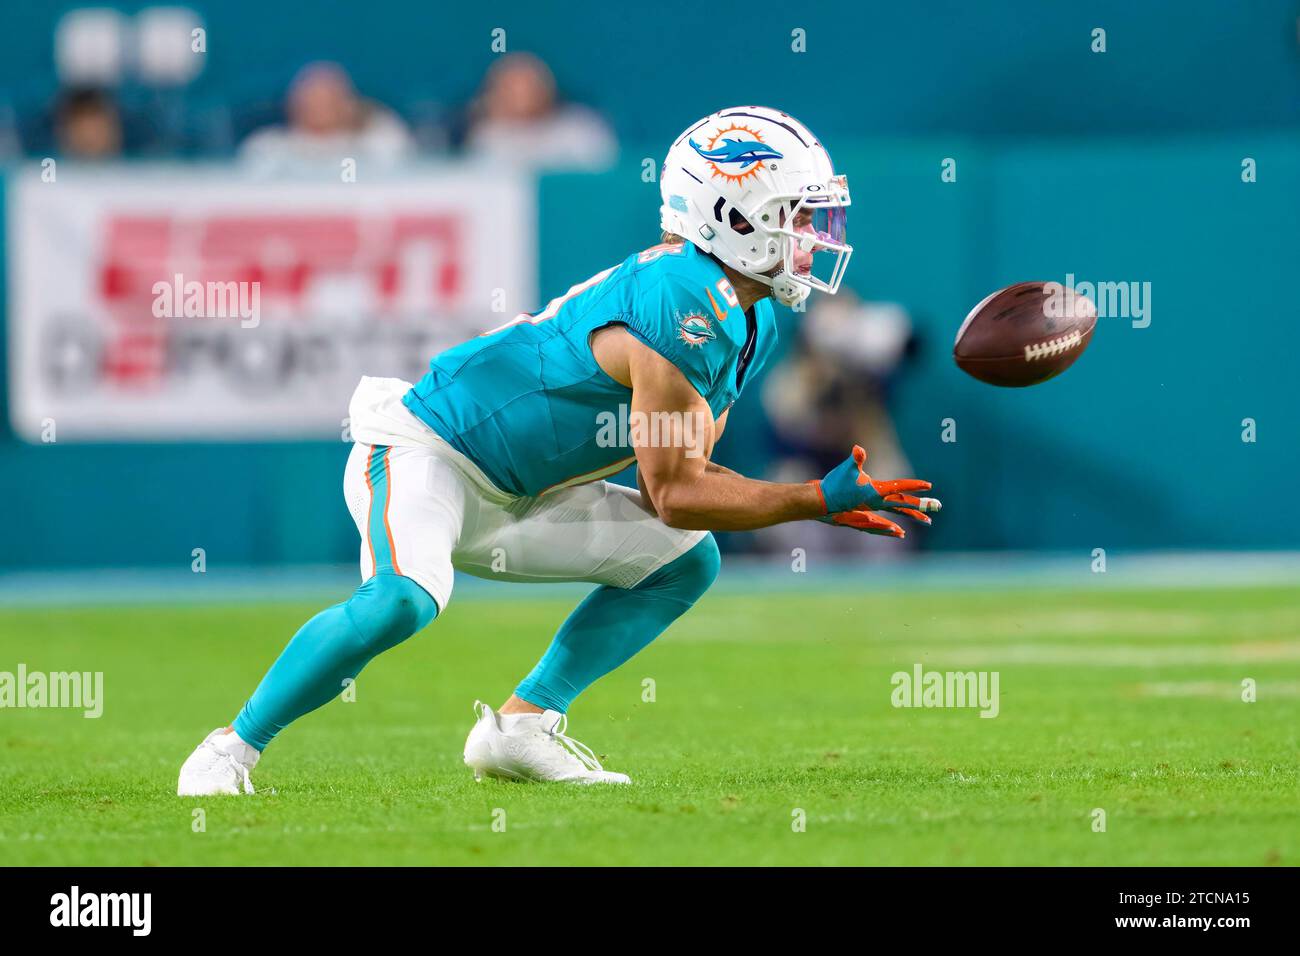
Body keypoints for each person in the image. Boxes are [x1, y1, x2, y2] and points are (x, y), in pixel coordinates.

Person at [178, 106, 940, 794]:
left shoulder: (746, 316)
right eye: (796, 216)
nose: (814, 238)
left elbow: (670, 488)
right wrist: (813, 500)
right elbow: (674, 489)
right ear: (731, 218)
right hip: (429, 452)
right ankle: (228, 750)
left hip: (525, 493)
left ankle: (520, 729)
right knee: (402, 601)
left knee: (683, 559)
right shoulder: (684, 293)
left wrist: (782, 496)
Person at [239, 62, 413, 174]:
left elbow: (396, 150)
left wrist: (365, 115)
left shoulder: (371, 144)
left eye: (329, 99)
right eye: (310, 99)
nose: (318, 107)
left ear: (347, 103)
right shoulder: (269, 147)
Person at [462, 52, 615, 169]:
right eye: (510, 89)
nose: (520, 97)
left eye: (527, 87)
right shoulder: (488, 136)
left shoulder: (579, 128)